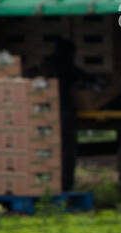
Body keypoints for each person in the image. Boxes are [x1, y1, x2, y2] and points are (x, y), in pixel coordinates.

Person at [40, 37, 97, 192]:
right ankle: (65, 185)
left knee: (49, 150)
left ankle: (49, 185)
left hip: (47, 114)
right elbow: (85, 77)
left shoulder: (48, 65)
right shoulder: (65, 66)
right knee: (67, 151)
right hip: (64, 113)